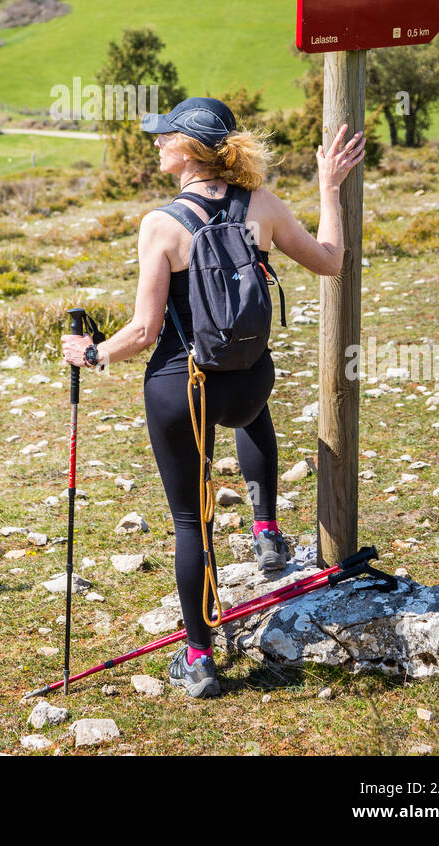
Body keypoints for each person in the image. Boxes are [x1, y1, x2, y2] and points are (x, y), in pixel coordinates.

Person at [61, 96, 366, 698]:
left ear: (191, 149)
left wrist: (90, 353)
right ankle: (266, 529)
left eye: (164, 135)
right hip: (249, 387)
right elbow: (331, 262)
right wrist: (329, 187)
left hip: (184, 393)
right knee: (256, 413)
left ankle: (199, 657)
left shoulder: (162, 223)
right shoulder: (262, 206)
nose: (155, 143)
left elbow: (145, 331)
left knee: (187, 521)